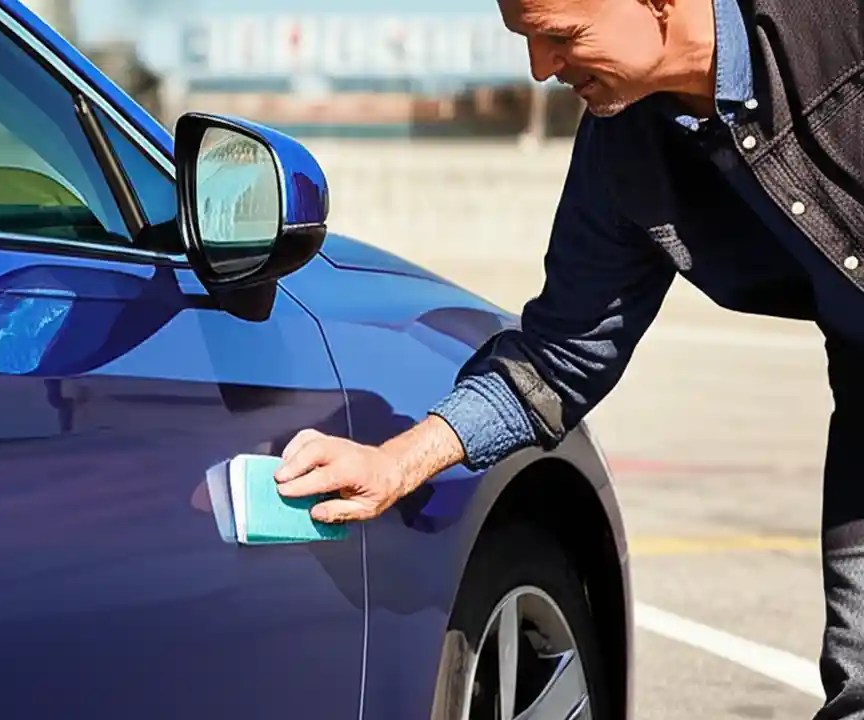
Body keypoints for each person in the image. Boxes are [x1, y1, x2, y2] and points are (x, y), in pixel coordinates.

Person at [272, 0, 864, 715]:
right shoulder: (626, 151)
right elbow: (559, 356)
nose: (542, 69)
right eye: (527, 41)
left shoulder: (835, 24)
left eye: (559, 37)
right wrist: (394, 463)